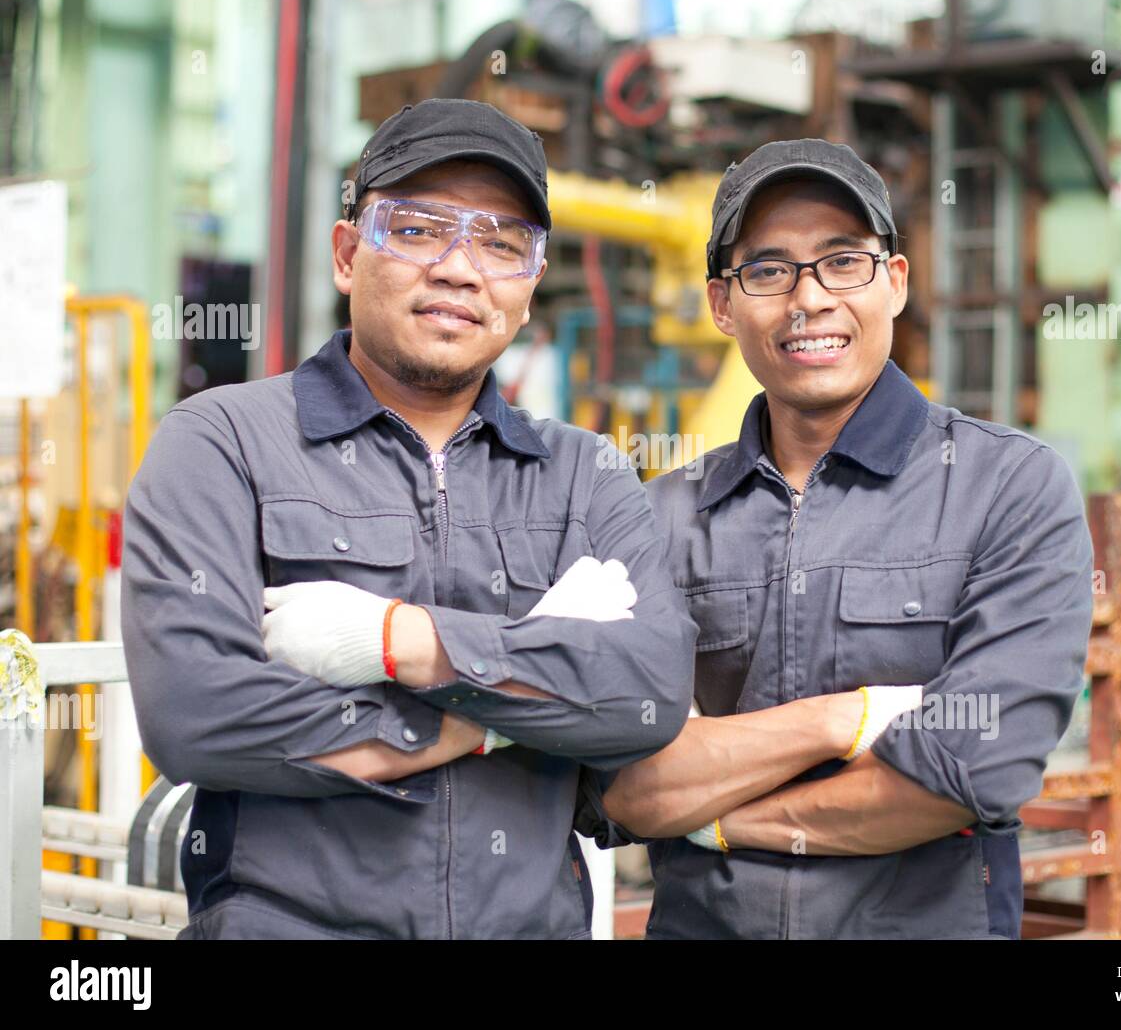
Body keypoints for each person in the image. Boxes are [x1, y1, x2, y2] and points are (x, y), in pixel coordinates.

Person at [121, 98, 695, 940]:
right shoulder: (222, 443)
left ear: (530, 290)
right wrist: (500, 713)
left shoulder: (586, 474)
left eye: (502, 244)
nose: (462, 268)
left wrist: (401, 642)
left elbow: (645, 694)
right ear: (349, 254)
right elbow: (197, 717)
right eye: (421, 228)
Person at [594, 139, 1095, 939]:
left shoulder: (1009, 488)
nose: (808, 299)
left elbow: (975, 767)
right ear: (722, 305)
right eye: (769, 271)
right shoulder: (659, 518)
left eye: (842, 263)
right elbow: (619, 788)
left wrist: (715, 816)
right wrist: (846, 719)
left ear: (894, 283)